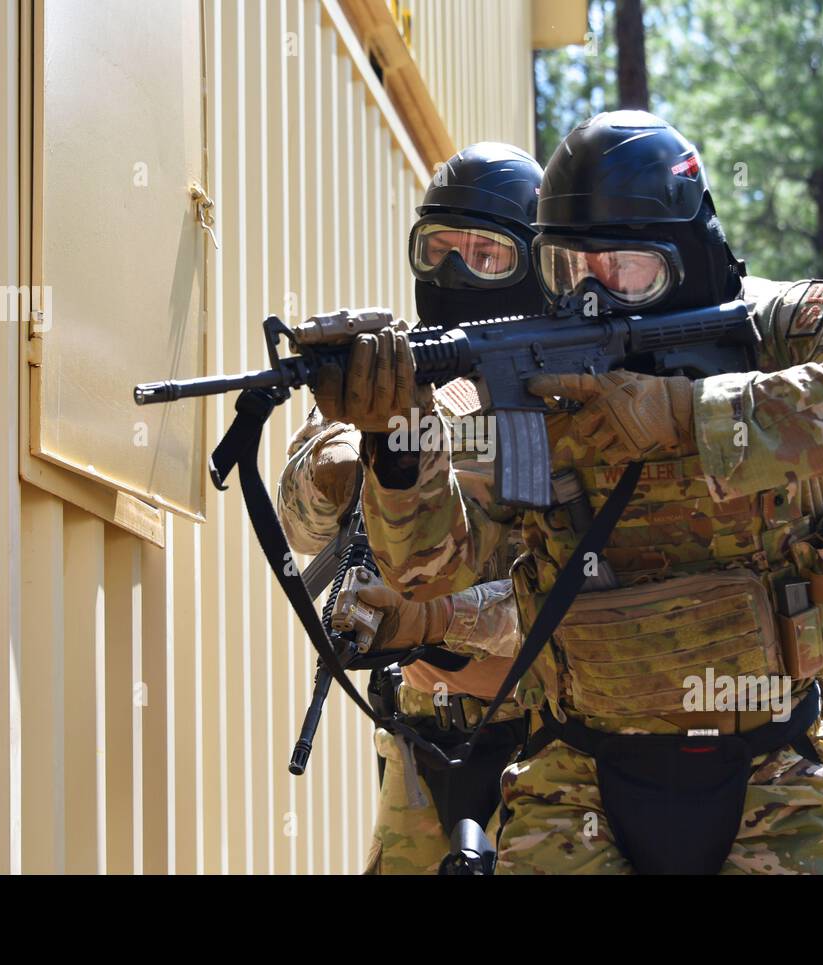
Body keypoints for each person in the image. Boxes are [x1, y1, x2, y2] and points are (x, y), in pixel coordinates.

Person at [320, 111, 823, 874]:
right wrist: (397, 440)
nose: (592, 293)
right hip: (573, 778)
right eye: (566, 267)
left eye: (625, 267)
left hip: (772, 775)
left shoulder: (783, 324)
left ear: (685, 251)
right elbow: (436, 572)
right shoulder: (536, 380)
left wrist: (687, 417)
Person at [277, 142, 549, 874]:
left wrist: (436, 616)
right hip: (420, 738)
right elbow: (300, 522)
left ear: (533, 263)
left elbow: (565, 587)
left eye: (486, 255)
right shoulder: (394, 371)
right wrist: (364, 449)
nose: (457, 274)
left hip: (553, 746)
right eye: (438, 250)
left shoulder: (564, 388)